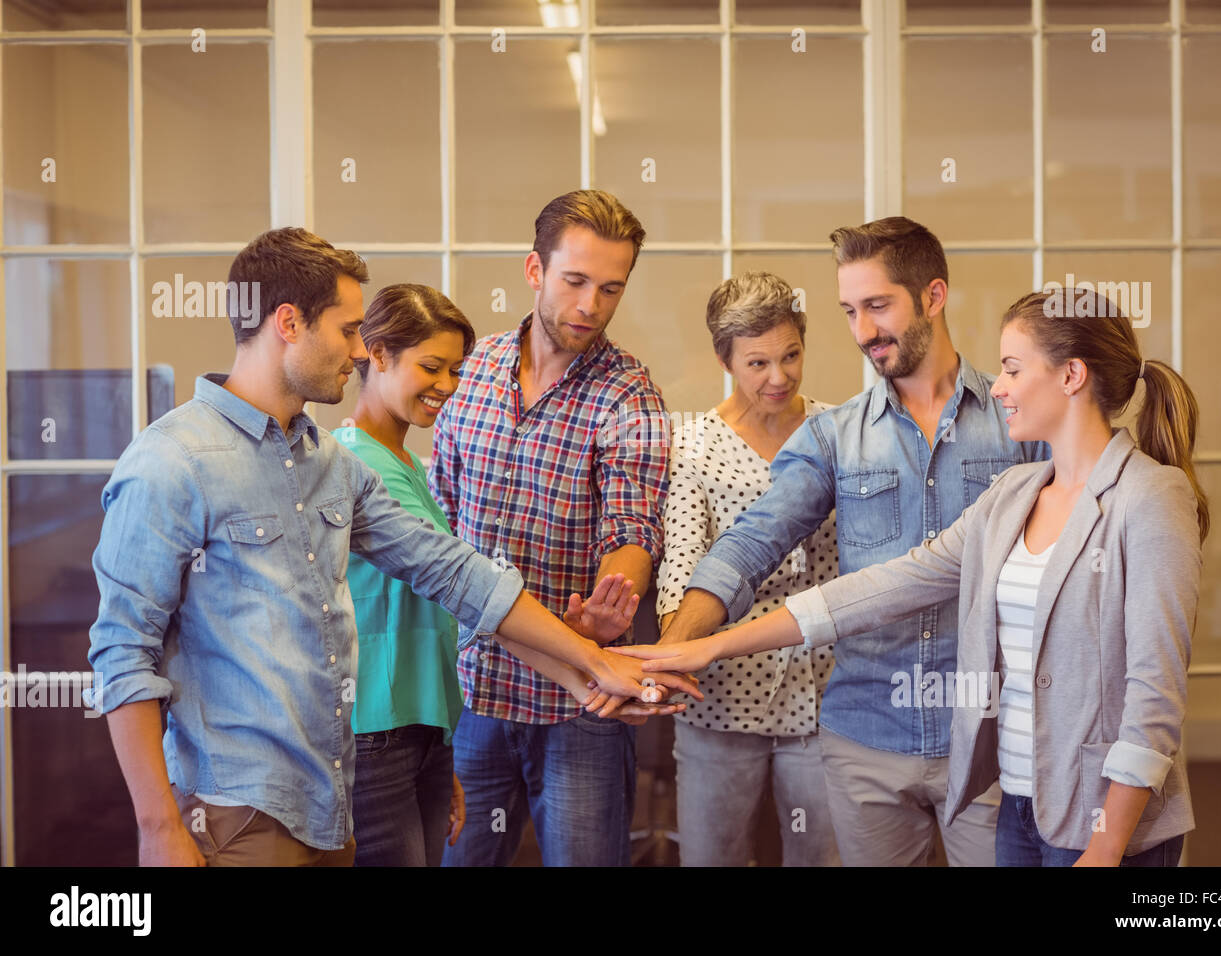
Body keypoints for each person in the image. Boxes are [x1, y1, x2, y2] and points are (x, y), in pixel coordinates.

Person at [86, 227, 697, 867]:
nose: (359, 352)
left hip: (334, 807)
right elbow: (123, 651)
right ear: (289, 323)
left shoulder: (329, 463)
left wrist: (590, 667)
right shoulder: (172, 459)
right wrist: (158, 828)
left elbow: (453, 572)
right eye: (348, 330)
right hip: (238, 815)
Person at [614, 287, 1208, 867]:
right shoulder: (1014, 494)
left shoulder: (1149, 496)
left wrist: (1105, 848)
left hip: (1101, 821)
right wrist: (708, 644)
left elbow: (1154, 694)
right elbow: (883, 588)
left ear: (1071, 376)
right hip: (1018, 805)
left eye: (1011, 369)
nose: (997, 387)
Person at [654, 217, 1050, 866]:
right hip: (864, 739)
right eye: (848, 311)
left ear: (933, 295)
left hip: (987, 737)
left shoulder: (1018, 424)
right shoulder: (832, 436)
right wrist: (676, 646)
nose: (864, 331)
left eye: (877, 306)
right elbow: (749, 545)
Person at [433, 190, 673, 867]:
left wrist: (611, 600)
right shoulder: (469, 371)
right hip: (471, 688)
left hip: (581, 701)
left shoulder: (630, 392)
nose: (590, 305)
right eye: (575, 282)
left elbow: (632, 524)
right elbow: (438, 518)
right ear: (534, 270)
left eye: (610, 289)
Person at [654, 271, 840, 866]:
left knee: (824, 858)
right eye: (758, 363)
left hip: (827, 692)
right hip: (720, 696)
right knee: (714, 857)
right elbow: (681, 562)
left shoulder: (838, 432)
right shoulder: (693, 445)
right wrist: (671, 650)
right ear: (724, 359)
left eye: (791, 356)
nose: (779, 377)